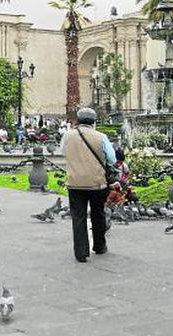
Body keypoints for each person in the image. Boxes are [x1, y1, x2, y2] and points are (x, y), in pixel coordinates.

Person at [62, 108, 116, 262]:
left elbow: (64, 153)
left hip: (74, 182)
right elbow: (111, 159)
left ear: (78, 120)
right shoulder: (101, 137)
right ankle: (99, 246)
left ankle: (80, 253)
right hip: (97, 183)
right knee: (98, 214)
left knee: (78, 216)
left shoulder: (67, 136)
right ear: (93, 121)